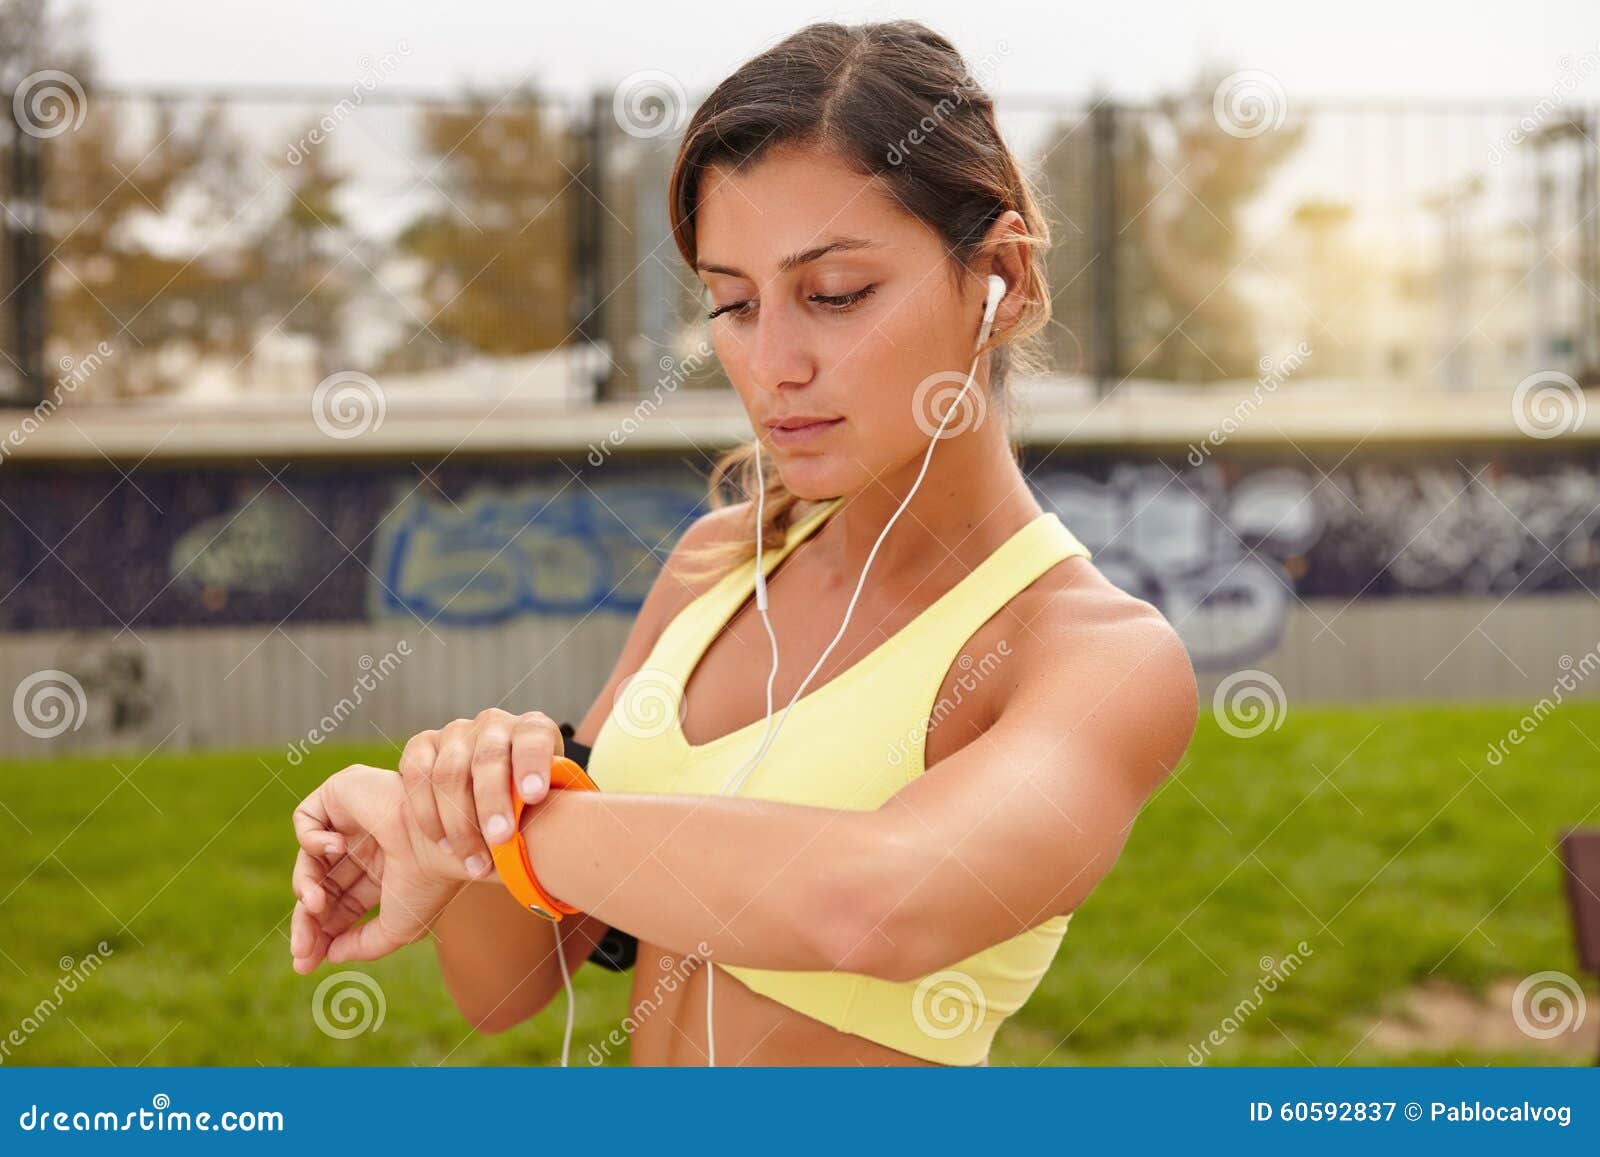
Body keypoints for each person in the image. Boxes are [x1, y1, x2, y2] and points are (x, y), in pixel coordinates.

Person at [289, 18, 1197, 1067]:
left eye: (835, 294)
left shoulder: (1096, 657)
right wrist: (470, 796)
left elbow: (877, 906)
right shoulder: (715, 565)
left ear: (999, 278)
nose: (771, 363)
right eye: (731, 301)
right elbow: (508, 986)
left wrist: (491, 831)